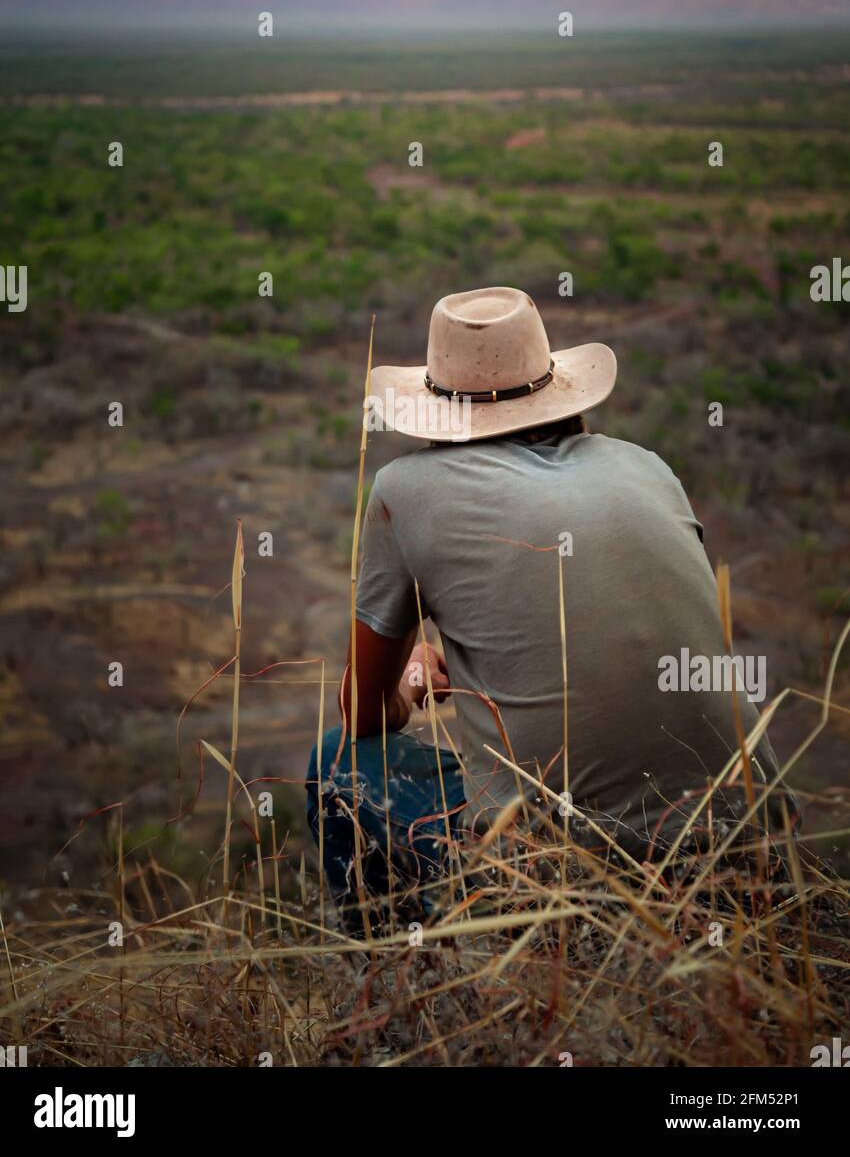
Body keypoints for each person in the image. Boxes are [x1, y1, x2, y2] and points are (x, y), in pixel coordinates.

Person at [306, 286, 792, 929]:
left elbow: (364, 715)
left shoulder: (404, 490)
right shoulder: (647, 467)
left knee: (336, 765)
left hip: (560, 868)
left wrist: (415, 680)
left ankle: (405, 986)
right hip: (754, 842)